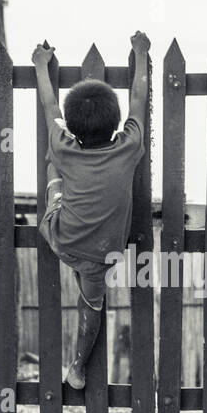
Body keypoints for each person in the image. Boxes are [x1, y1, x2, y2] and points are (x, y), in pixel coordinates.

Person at [32, 32, 150, 388]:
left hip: (62, 237)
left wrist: (40, 66)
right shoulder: (129, 146)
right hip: (102, 254)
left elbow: (50, 108)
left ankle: (56, 191)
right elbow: (139, 100)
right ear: (115, 122)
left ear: (75, 127)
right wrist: (141, 55)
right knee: (92, 308)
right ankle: (78, 367)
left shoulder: (64, 146)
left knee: (53, 168)